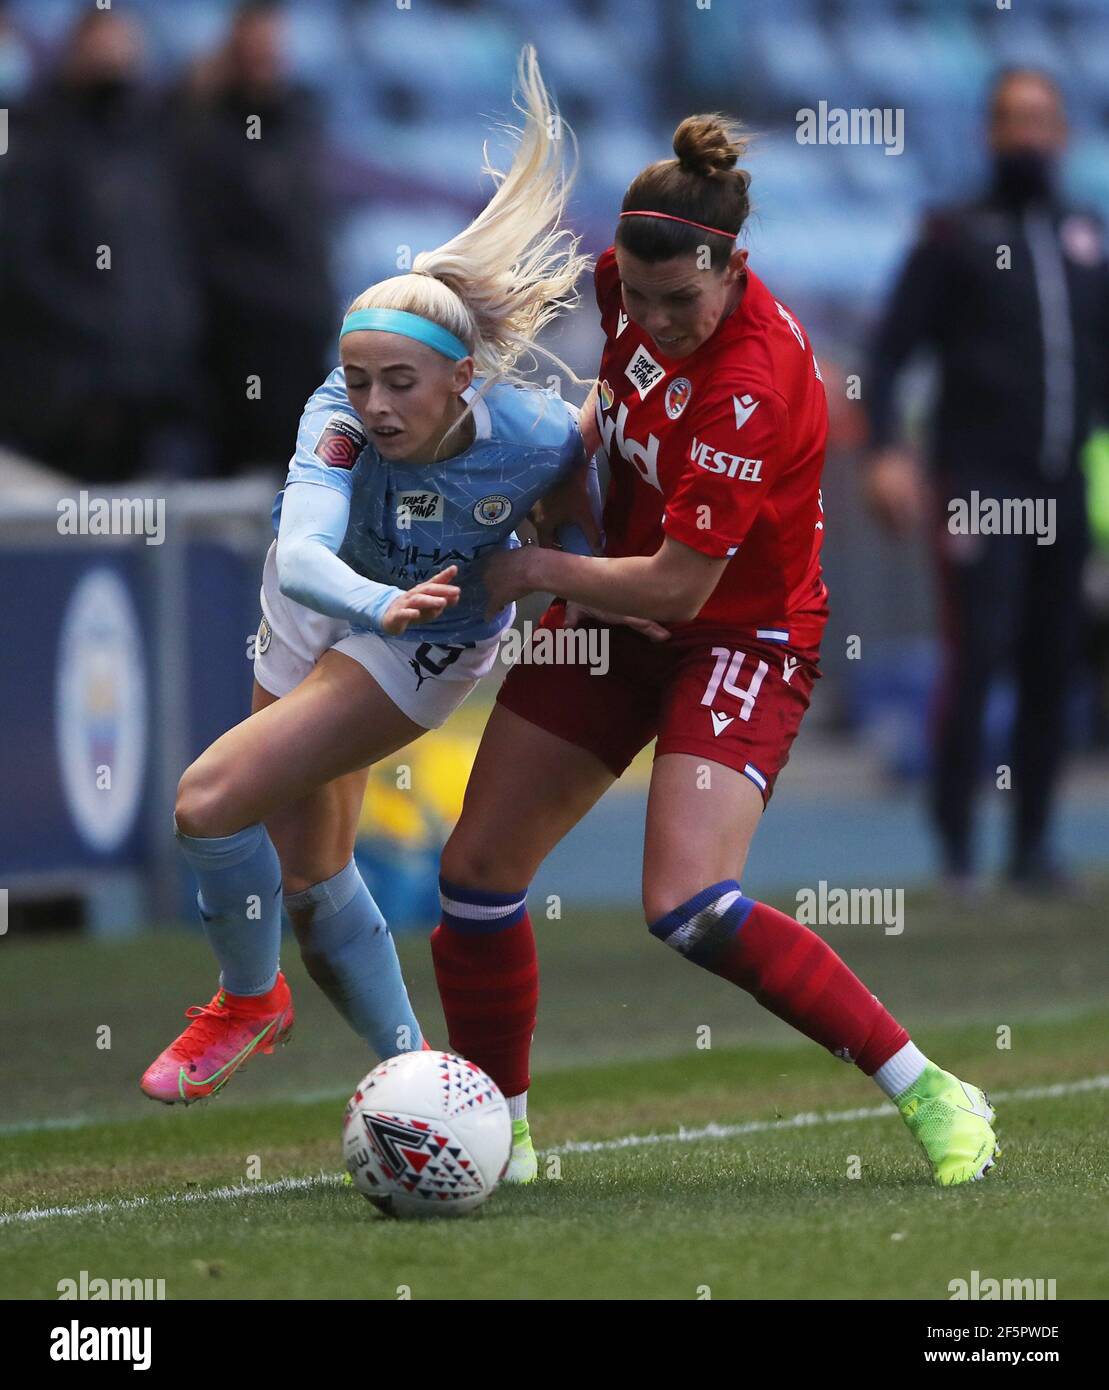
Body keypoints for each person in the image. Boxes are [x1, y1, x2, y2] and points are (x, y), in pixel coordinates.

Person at [430, 113, 1000, 1188]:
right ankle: (498, 1133)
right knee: (474, 870)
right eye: (637, 299)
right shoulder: (626, 282)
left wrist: (528, 570)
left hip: (738, 632)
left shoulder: (754, 385)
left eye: (677, 302)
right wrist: (567, 480)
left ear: (730, 269)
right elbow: (612, 400)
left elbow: (679, 588)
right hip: (616, 607)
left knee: (688, 907)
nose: (652, 318)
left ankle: (927, 1086)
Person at [140, 46, 592, 1105]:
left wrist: (561, 567)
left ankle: (247, 1001)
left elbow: (595, 518)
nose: (375, 405)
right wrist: (373, 597)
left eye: (400, 383)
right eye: (359, 379)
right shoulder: (334, 421)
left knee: (207, 801)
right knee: (312, 881)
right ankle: (420, 1083)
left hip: (424, 637)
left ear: (460, 379)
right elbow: (300, 555)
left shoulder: (536, 438)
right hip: (327, 601)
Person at [861, 68, 1109, 893]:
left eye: (1041, 118)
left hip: (1062, 484)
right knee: (978, 655)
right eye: (1012, 119)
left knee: (1052, 662)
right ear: (989, 133)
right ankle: (957, 847)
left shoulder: (1087, 236)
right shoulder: (954, 235)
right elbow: (889, 352)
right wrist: (888, 451)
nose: (1027, 135)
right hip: (978, 484)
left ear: (1062, 132)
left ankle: (1033, 846)